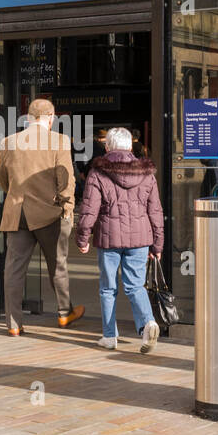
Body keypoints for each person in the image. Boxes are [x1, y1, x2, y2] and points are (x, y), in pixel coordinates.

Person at [0, 98, 83, 335]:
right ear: (51, 117)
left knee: (14, 270)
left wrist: (14, 195)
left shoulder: (9, 141)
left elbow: (0, 176)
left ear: (28, 117)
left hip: (17, 213)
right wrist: (67, 206)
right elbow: (65, 179)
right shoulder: (59, 140)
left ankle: (14, 325)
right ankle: (64, 313)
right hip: (49, 213)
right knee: (58, 265)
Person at [75, 127, 165, 352]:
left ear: (107, 147)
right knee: (135, 285)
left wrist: (83, 238)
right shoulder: (146, 173)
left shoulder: (98, 172)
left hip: (109, 238)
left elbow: (89, 209)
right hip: (140, 239)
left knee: (108, 288)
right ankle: (147, 324)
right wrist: (158, 243)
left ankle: (109, 336)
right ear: (130, 146)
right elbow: (155, 211)